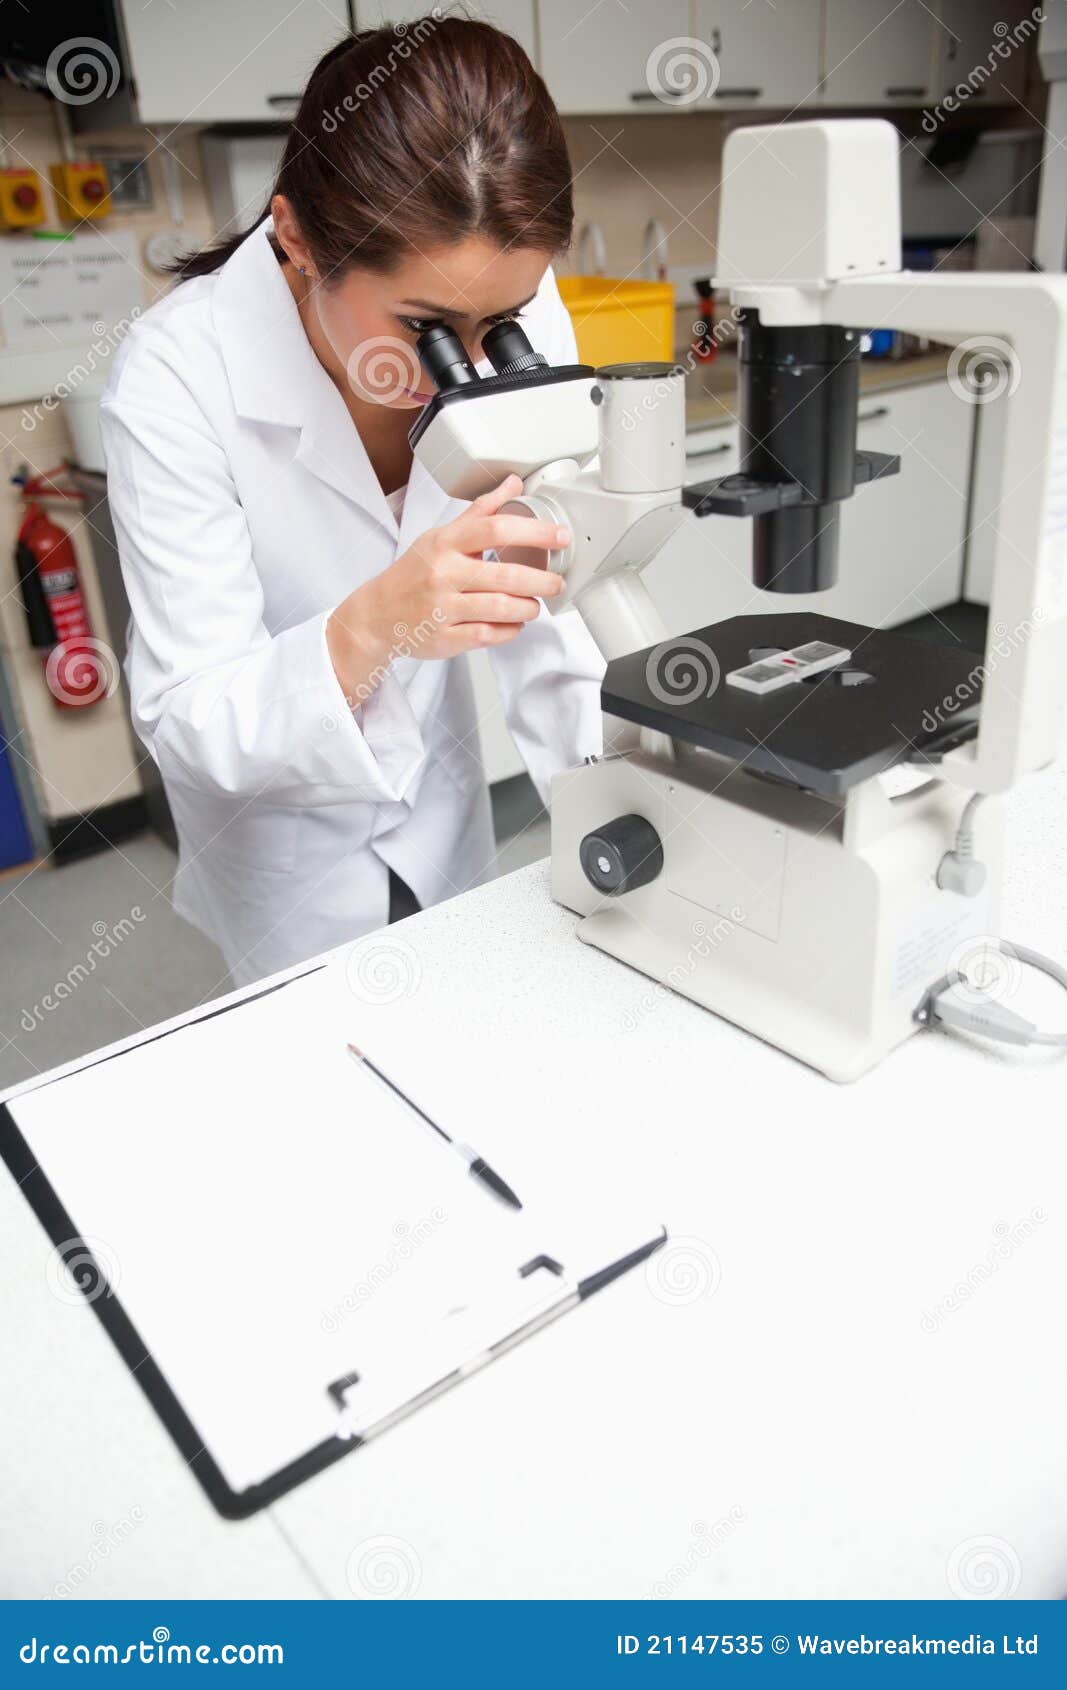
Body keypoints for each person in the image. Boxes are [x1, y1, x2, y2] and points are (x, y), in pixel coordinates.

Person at [101, 18, 603, 987]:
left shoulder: (515, 301)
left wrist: (614, 811)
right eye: (424, 325)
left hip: (445, 808)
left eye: (498, 324)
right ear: (296, 239)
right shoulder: (176, 375)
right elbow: (189, 716)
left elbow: (551, 606)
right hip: (285, 848)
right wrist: (372, 625)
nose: (466, 362)